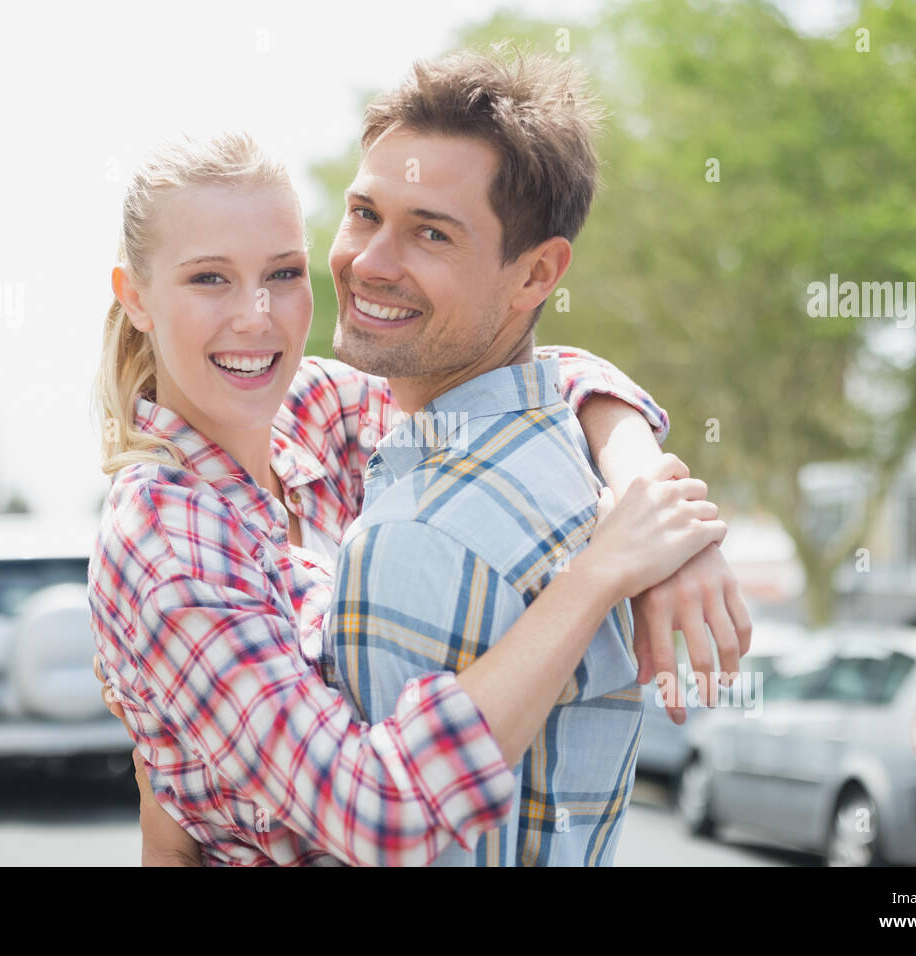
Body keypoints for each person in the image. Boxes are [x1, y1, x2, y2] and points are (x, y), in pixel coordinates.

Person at [89, 126, 731, 866]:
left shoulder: (307, 407)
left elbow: (526, 373)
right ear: (134, 297)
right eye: (209, 278)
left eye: (285, 273)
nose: (256, 316)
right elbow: (379, 818)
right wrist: (596, 576)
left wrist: (656, 500)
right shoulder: (164, 533)